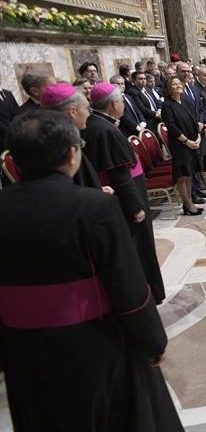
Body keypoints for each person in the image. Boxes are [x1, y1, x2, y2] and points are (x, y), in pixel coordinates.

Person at [0, 111, 182, 432]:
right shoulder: (95, 207)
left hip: (21, 348)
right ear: (72, 154)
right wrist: (153, 340)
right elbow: (127, 284)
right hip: (91, 342)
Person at [83, 83, 166, 304]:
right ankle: (149, 293)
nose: (123, 104)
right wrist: (135, 207)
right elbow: (120, 174)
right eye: (121, 100)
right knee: (140, 247)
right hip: (127, 199)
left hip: (121, 196)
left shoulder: (96, 124)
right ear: (114, 104)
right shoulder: (106, 131)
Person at [40, 83, 104, 190]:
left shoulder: (47, 137)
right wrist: (95, 195)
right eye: (87, 108)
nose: (88, 114)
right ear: (72, 111)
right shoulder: (62, 146)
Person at [161, 75, 204, 214]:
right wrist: (186, 141)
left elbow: (193, 120)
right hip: (180, 145)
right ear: (168, 89)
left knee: (189, 173)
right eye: (174, 84)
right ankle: (188, 204)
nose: (178, 85)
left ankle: (189, 203)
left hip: (192, 142)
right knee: (182, 176)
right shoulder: (167, 105)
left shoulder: (185, 101)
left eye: (179, 83)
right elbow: (172, 127)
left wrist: (198, 136)